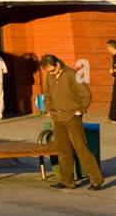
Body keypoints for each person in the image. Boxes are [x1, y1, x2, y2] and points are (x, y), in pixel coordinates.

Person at [40, 54, 103, 190]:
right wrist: (49, 109)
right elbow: (47, 95)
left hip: (72, 117)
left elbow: (86, 94)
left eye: (52, 70)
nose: (51, 73)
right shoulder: (50, 77)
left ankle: (96, 180)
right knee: (63, 150)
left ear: (57, 64)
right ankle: (66, 180)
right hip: (57, 117)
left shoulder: (72, 74)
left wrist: (80, 109)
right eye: (48, 71)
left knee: (81, 148)